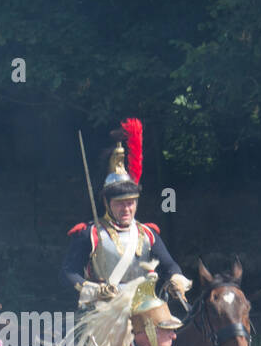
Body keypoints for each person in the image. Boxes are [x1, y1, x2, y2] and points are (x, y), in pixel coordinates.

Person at [62, 119, 188, 309]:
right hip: (104, 310)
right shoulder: (90, 233)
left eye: (130, 203)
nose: (126, 209)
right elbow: (68, 272)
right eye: (120, 204)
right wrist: (93, 289)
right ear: (107, 203)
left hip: (144, 307)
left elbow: (169, 265)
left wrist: (176, 277)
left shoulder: (147, 234)